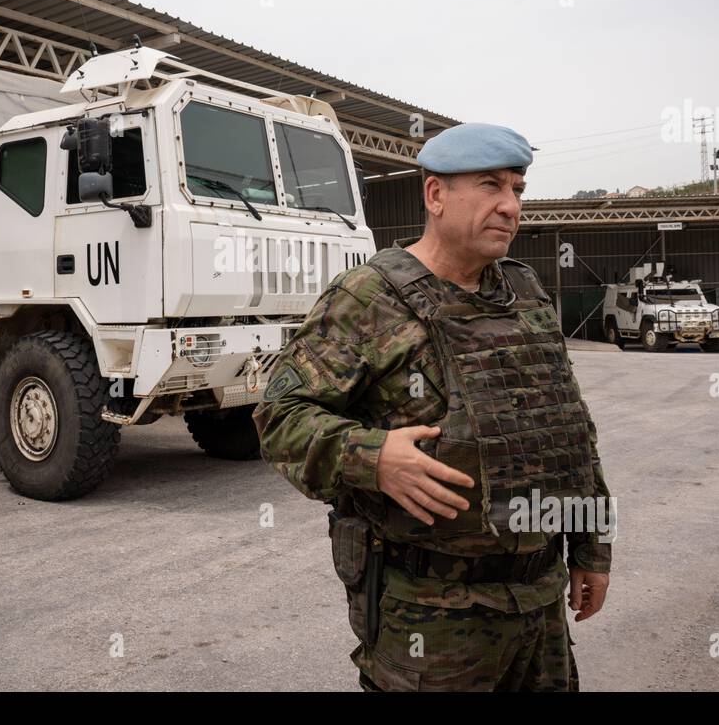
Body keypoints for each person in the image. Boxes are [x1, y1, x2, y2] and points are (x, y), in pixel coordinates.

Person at [253, 122, 612, 691]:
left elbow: (568, 428)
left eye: (517, 189)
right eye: (490, 186)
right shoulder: (367, 300)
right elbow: (280, 416)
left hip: (539, 604)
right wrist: (373, 457)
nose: (509, 206)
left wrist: (593, 545)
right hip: (433, 616)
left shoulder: (527, 294)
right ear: (436, 195)